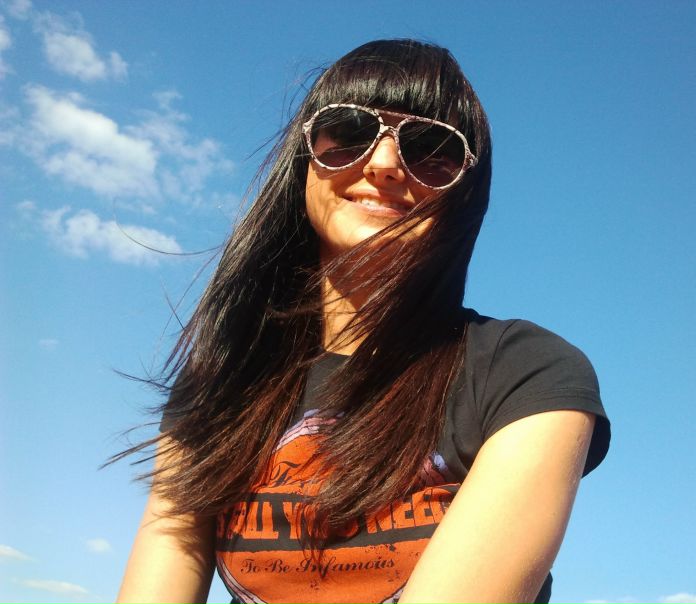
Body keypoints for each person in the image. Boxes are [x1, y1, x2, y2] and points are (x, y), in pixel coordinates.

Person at [115, 39, 610, 604]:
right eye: (348, 132)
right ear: (304, 160)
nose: (384, 164)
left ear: (465, 194)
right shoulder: (221, 380)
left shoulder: (527, 374)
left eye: (431, 149)